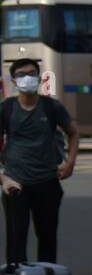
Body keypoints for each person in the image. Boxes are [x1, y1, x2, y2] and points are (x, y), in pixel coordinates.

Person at [1, 58, 78, 264]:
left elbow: (73, 132)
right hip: (15, 184)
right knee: (16, 241)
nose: (27, 78)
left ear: (39, 77)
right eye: (21, 75)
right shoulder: (7, 108)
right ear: (14, 81)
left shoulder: (51, 106)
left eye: (31, 73)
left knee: (47, 239)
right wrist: (3, 178)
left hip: (47, 182)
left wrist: (70, 163)